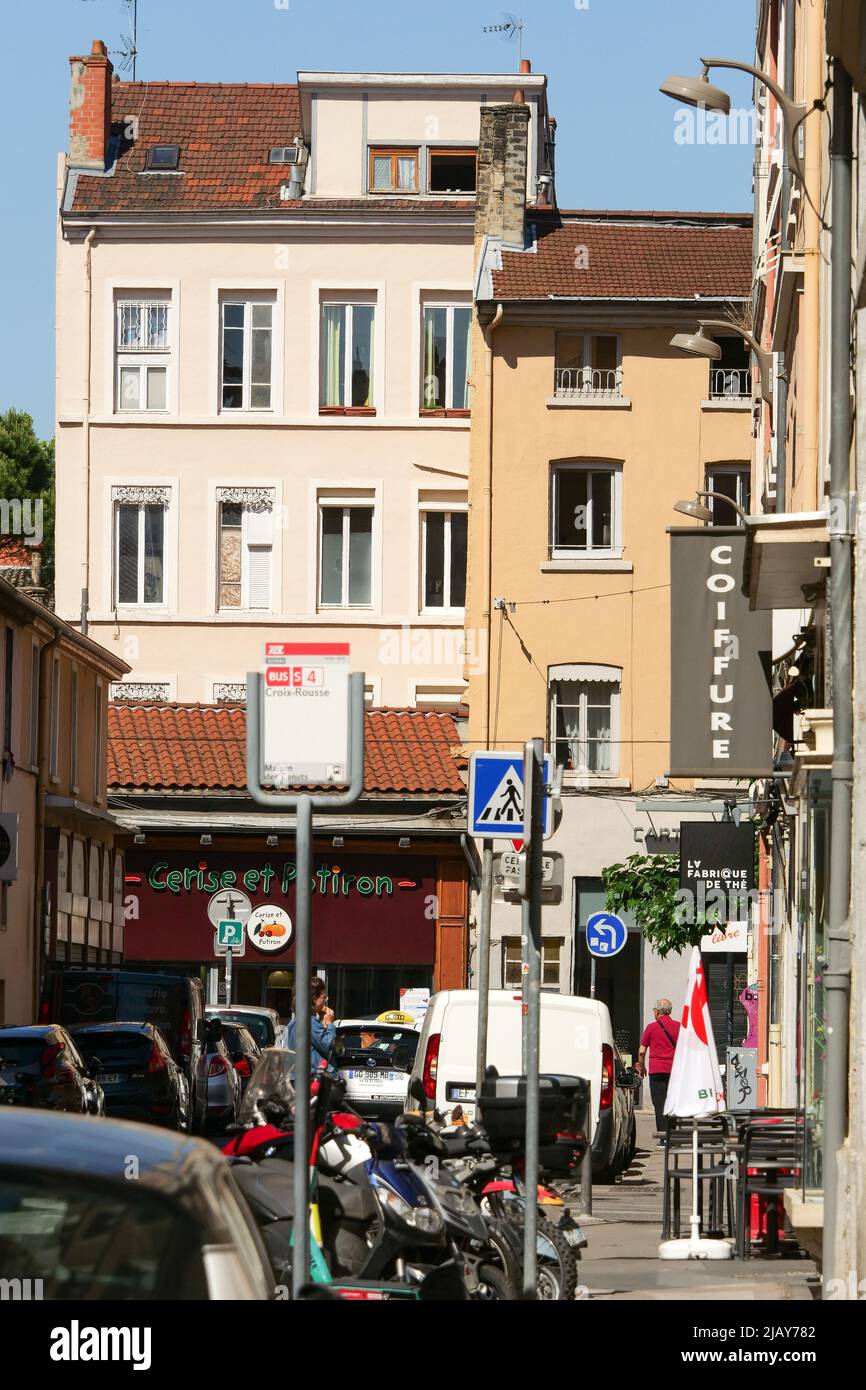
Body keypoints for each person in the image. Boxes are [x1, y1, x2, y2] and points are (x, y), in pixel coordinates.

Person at [636, 999, 681, 1144]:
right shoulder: (679, 1027)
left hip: (656, 1071)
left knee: (660, 1104)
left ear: (657, 1012)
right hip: (674, 1071)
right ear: (670, 1011)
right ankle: (674, 1136)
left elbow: (642, 1051)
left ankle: (663, 1139)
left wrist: (642, 1067)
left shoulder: (651, 1028)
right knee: (673, 1103)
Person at [286, 977, 336, 1075]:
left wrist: (322, 1022)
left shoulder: (295, 1022)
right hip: (313, 1078)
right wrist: (330, 1024)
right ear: (314, 999)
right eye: (323, 998)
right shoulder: (310, 1021)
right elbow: (327, 1045)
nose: (325, 1001)